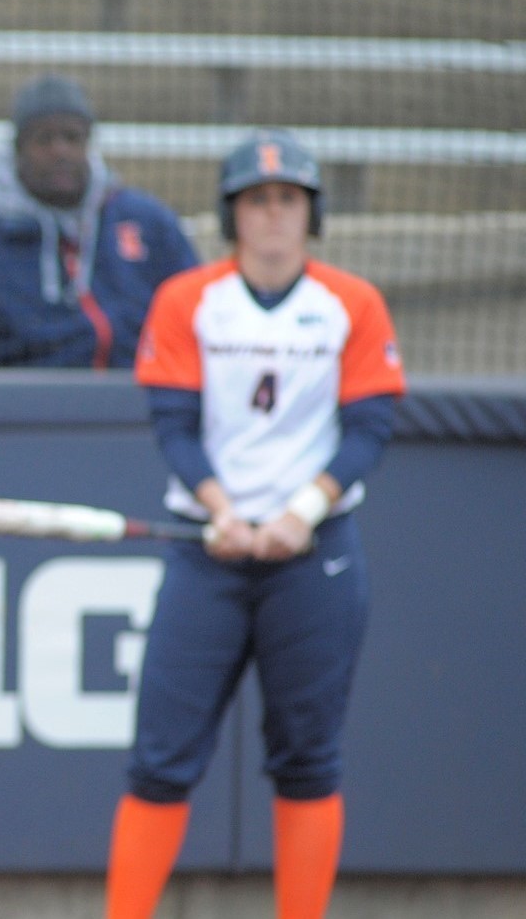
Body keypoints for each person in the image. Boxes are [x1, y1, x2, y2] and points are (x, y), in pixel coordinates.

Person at [105, 129, 407, 919]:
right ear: (231, 215)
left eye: (288, 200)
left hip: (315, 555)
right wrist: (224, 510)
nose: (272, 216)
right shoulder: (188, 299)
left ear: (312, 214)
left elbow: (369, 427)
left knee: (308, 758)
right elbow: (173, 421)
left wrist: (302, 511)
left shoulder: (352, 303)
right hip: (209, 551)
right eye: (256, 201)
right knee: (160, 759)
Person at [0, 72, 198, 369]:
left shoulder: (147, 222)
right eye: (44, 139)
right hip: (21, 409)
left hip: (135, 404)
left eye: (72, 138)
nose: (60, 151)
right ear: (18, 150)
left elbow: (195, 321)